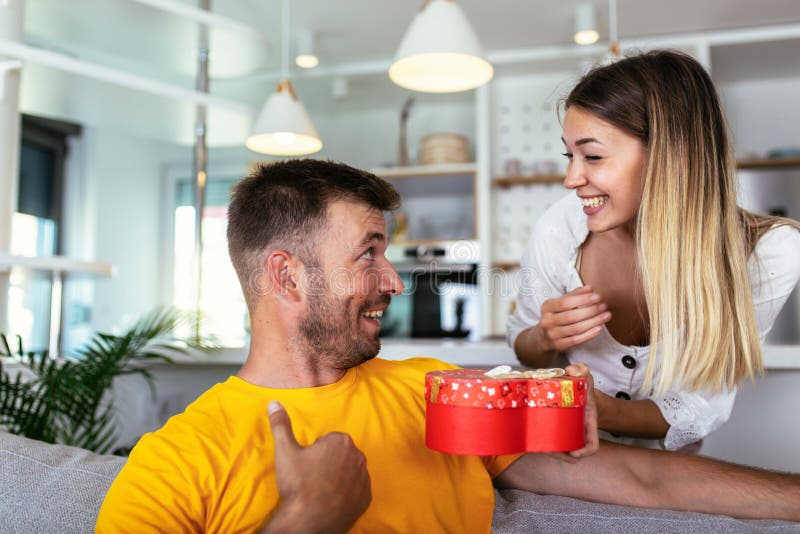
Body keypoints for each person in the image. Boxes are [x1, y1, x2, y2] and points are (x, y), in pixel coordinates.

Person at [97, 159, 800, 533]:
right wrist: (308, 520)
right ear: (285, 274)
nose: (393, 282)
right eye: (368, 253)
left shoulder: (436, 393)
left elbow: (639, 479)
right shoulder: (173, 464)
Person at [507, 49, 800, 451]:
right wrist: (544, 337)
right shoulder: (558, 229)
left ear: (669, 156)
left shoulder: (768, 253)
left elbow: (704, 403)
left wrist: (603, 410)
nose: (571, 178)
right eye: (569, 155)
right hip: (564, 466)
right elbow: (523, 348)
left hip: (670, 479)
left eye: (592, 156)